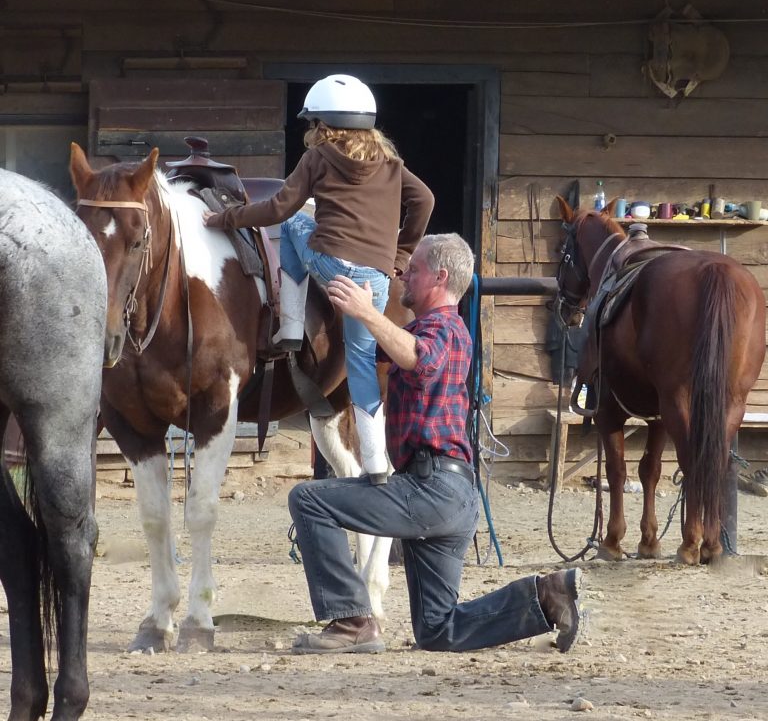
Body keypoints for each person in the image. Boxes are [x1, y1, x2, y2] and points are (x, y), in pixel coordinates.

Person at [288, 233, 585, 655]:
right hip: (446, 495)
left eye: (415, 269)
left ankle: (353, 621)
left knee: (310, 500)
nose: (403, 274)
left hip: (431, 490)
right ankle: (547, 595)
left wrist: (367, 311)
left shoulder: (445, 328)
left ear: (440, 277)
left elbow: (419, 357)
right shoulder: (421, 329)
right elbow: (374, 353)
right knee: (437, 630)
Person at [203, 73, 434, 482]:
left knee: (294, 225)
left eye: (313, 123)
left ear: (323, 125)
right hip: (374, 282)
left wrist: (225, 219)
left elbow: (278, 209)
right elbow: (425, 200)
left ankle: (291, 324)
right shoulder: (392, 165)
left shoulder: (318, 158)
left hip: (329, 267)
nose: (311, 131)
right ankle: (377, 463)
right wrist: (399, 253)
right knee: (361, 365)